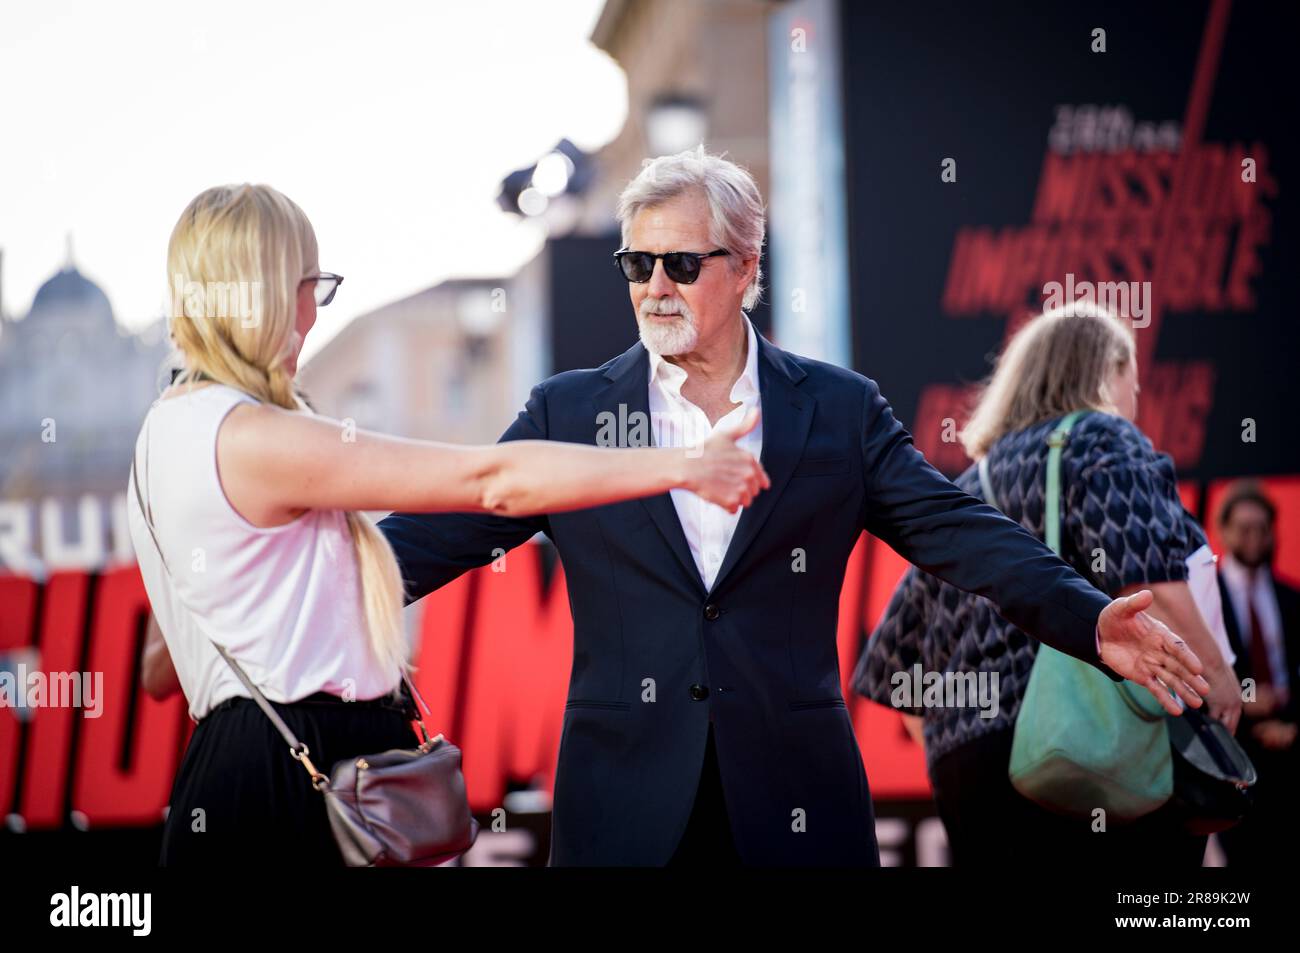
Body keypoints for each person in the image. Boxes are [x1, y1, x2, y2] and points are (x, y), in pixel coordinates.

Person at [379, 148, 1210, 867]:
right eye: (638, 265)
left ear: (745, 267)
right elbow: (448, 530)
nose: (655, 287)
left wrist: (1092, 622)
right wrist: (307, 577)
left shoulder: (838, 411)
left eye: (681, 264)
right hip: (620, 812)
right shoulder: (568, 413)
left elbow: (959, 534)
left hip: (797, 807)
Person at [127, 183, 768, 866]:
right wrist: (684, 464)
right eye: (314, 285)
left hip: (248, 766)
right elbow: (487, 481)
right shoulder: (252, 436)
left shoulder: (164, 435)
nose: (312, 313)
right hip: (295, 773)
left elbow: (159, 669)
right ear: (270, 293)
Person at [853, 304, 1238, 867]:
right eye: (1131, 377)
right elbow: (1150, 577)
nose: (1135, 396)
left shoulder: (966, 484)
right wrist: (1219, 680)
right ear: (1106, 371)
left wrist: (966, 739)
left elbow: (892, 667)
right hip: (1086, 757)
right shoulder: (1101, 438)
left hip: (970, 777)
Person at [1214, 481, 1300, 865]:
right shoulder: (1207, 598)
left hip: (1289, 750)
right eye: (1245, 527)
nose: (1254, 537)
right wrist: (1244, 703)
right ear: (1225, 530)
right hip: (1235, 756)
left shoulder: (1290, 597)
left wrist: (1291, 723)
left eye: (1262, 528)